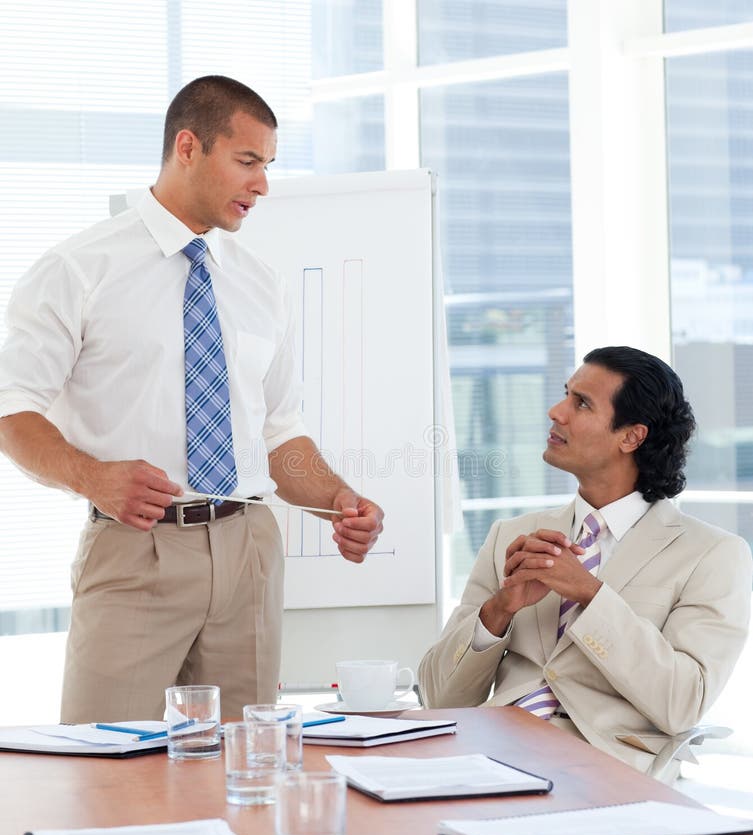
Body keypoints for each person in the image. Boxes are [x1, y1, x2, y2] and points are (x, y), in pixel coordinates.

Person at [0, 75, 384, 723]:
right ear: (187, 147)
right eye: (247, 161)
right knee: (108, 774)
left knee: (244, 769)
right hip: (135, 548)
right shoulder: (78, 269)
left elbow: (279, 433)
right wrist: (94, 477)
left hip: (247, 553)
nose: (262, 184)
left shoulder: (258, 284)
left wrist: (337, 497)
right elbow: (12, 412)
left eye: (267, 165)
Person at [419, 346, 751, 780]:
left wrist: (590, 595)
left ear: (631, 436)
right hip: (486, 756)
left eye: (581, 403)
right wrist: (499, 609)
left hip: (606, 771)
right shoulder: (511, 536)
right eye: (566, 395)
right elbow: (438, 700)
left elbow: (682, 704)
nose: (556, 412)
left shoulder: (711, 554)